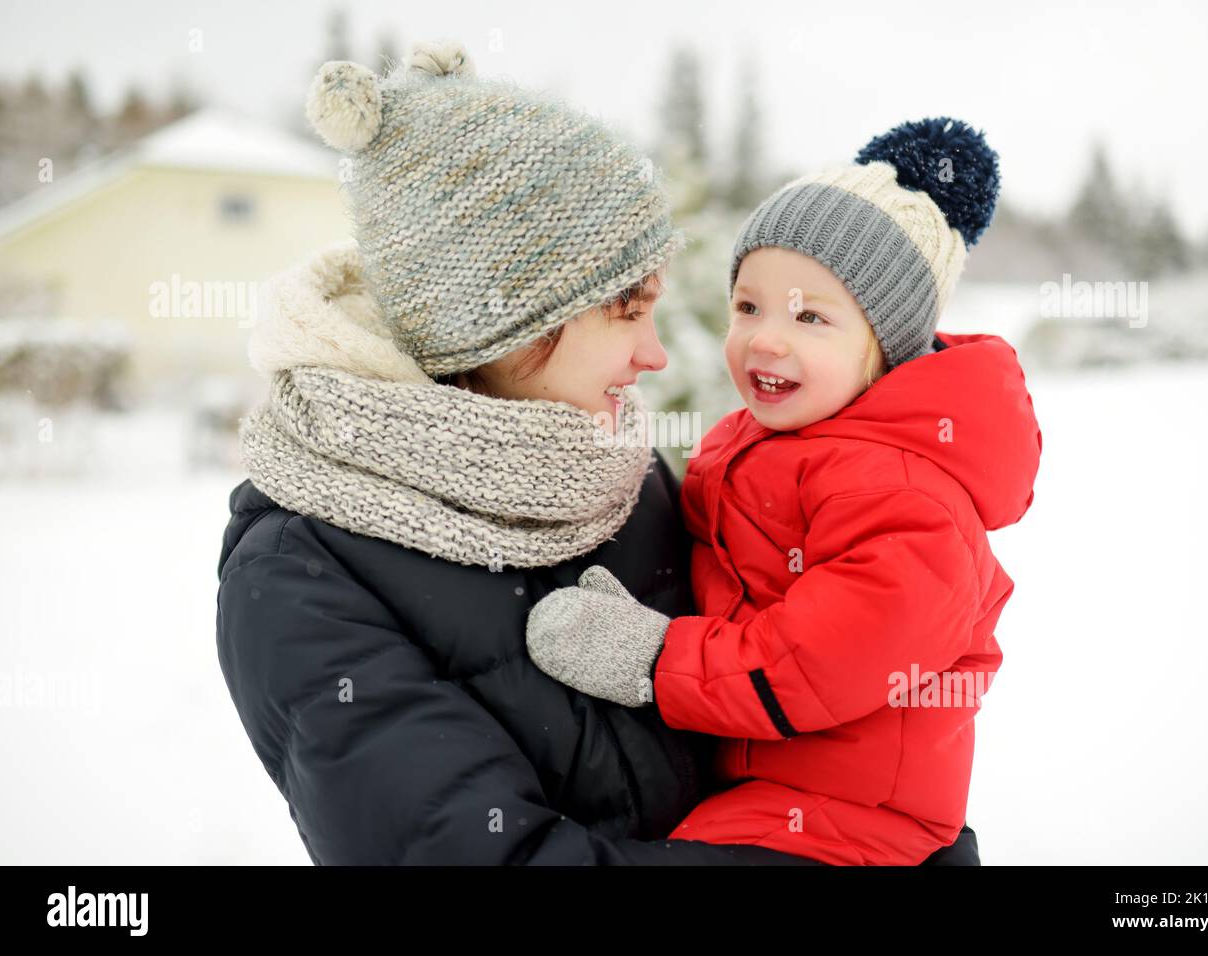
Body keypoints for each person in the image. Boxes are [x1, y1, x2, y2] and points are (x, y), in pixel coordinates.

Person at [215, 38, 829, 866]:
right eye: (623, 309)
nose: (657, 356)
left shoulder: (614, 469)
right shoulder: (302, 574)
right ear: (502, 320)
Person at [527, 118, 1043, 865]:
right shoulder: (750, 442)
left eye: (810, 317)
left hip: (849, 822)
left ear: (886, 348)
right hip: (753, 792)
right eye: (748, 307)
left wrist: (651, 656)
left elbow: (816, 661)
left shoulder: (907, 495)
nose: (766, 338)